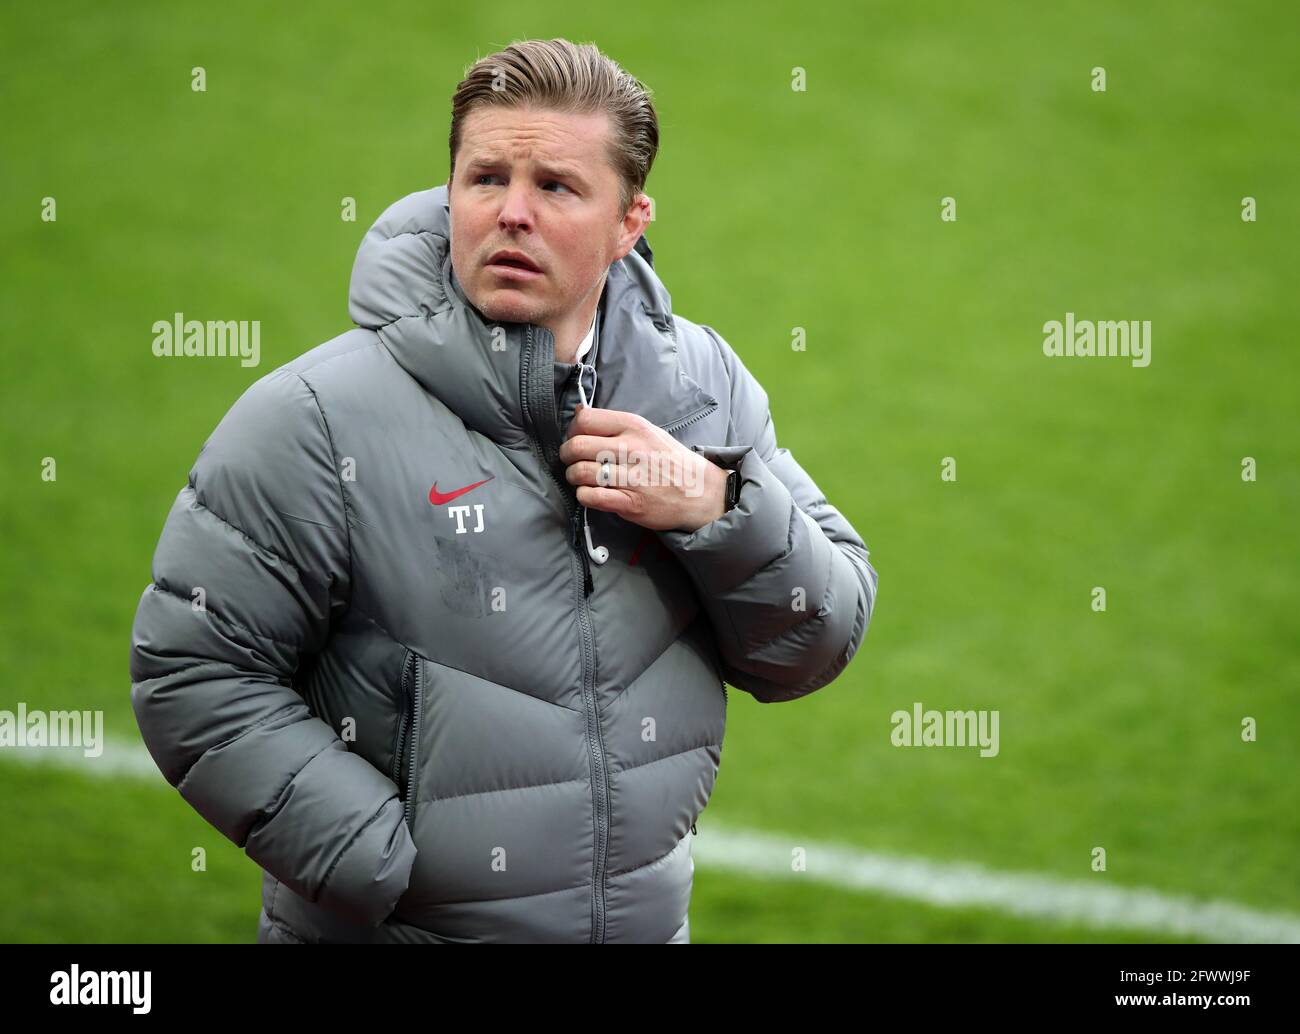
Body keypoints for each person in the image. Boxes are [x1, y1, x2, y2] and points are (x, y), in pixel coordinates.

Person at [128, 37, 879, 944]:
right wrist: (380, 863)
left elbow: (814, 637)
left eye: (556, 187)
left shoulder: (697, 392)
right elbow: (193, 666)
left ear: (630, 221)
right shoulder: (319, 419)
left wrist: (719, 507)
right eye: (486, 178)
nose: (511, 214)